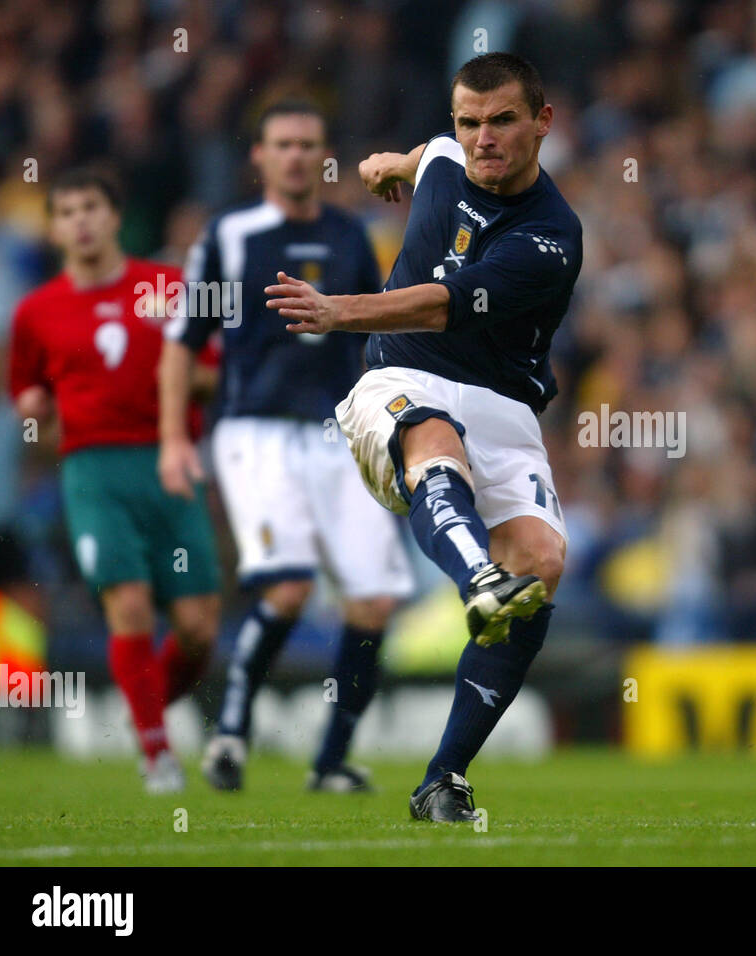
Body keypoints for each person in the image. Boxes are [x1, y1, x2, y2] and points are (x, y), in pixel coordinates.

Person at [261, 53, 581, 821]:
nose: (483, 140)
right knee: (431, 433)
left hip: (503, 407)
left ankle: (443, 779)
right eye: (469, 123)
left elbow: (443, 304)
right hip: (399, 383)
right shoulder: (446, 156)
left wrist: (339, 310)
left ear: (543, 121)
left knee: (542, 562)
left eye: (503, 120)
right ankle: (477, 577)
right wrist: (385, 166)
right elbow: (423, 157)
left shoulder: (552, 238)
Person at [158, 101, 415, 793]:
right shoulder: (231, 235)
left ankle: (330, 762)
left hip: (338, 435)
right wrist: (173, 438)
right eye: (283, 144)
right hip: (255, 430)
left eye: (308, 143)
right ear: (261, 156)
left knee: (373, 604)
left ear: (323, 154)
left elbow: (372, 329)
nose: (297, 155)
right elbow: (181, 342)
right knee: (292, 587)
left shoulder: (349, 235)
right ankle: (231, 732)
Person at [8, 168, 221, 793]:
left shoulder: (168, 287)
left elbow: (212, 372)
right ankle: (157, 750)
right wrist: (29, 405)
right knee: (126, 604)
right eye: (67, 211)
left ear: (113, 216)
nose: (80, 221)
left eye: (91, 207)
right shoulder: (37, 310)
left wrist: (171, 380)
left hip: (169, 458)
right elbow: (26, 384)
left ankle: (145, 704)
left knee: (198, 626)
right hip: (92, 467)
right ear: (54, 226)